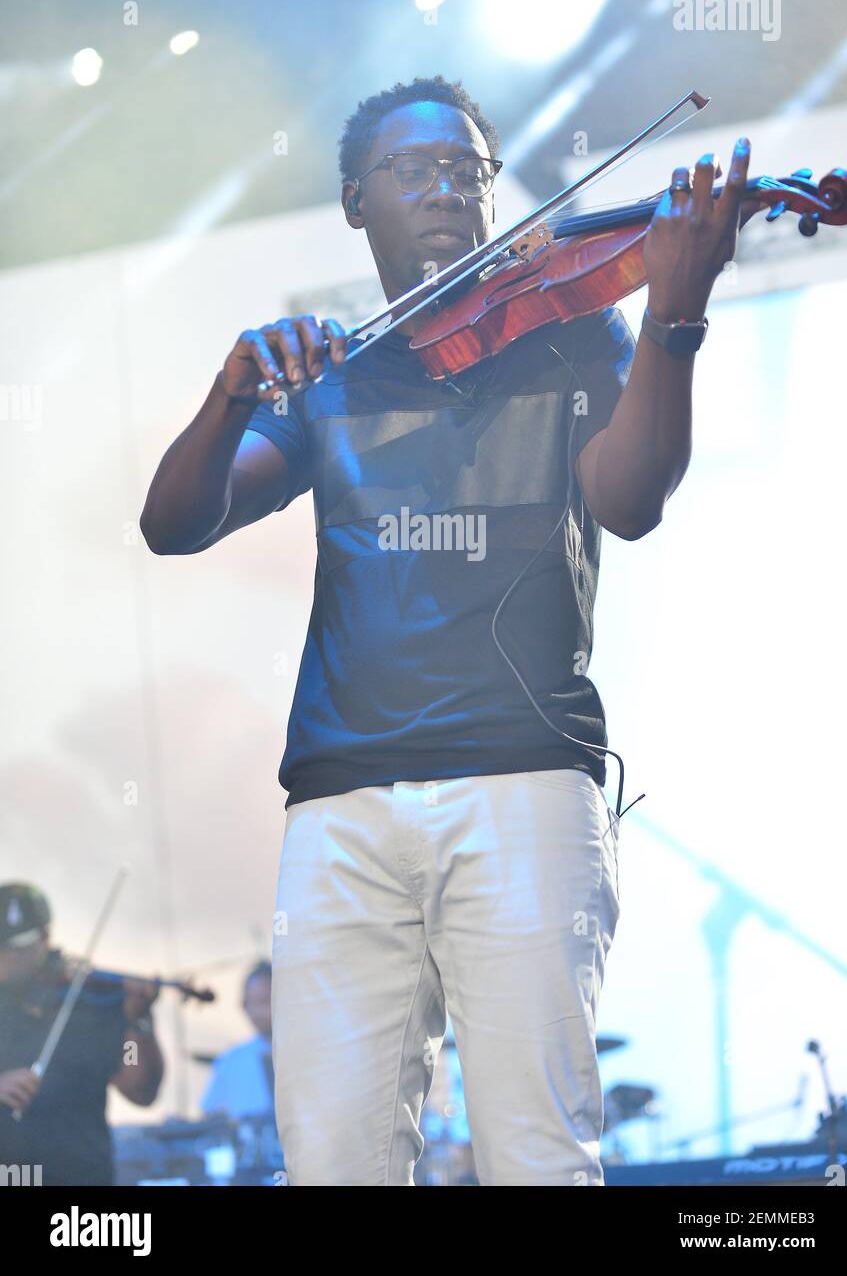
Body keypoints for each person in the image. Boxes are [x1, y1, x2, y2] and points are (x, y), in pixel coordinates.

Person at [141, 75, 752, 1186]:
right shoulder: (325, 373)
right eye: (410, 170)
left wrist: (674, 314)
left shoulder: (575, 334)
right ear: (352, 201)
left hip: (524, 775)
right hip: (341, 799)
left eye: (465, 170)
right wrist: (228, 392)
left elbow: (628, 499)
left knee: (537, 1153)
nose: (443, 188)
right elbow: (175, 525)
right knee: (337, 1159)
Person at [0, 882, 165, 1186]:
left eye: (19, 947)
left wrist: (138, 1023)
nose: (8, 957)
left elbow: (139, 1089)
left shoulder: (89, 999)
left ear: (45, 937)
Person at [200, 961, 276, 1120]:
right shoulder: (231, 1060)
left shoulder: (307, 1052)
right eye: (250, 1003)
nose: (258, 1011)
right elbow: (210, 1115)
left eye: (264, 1001)